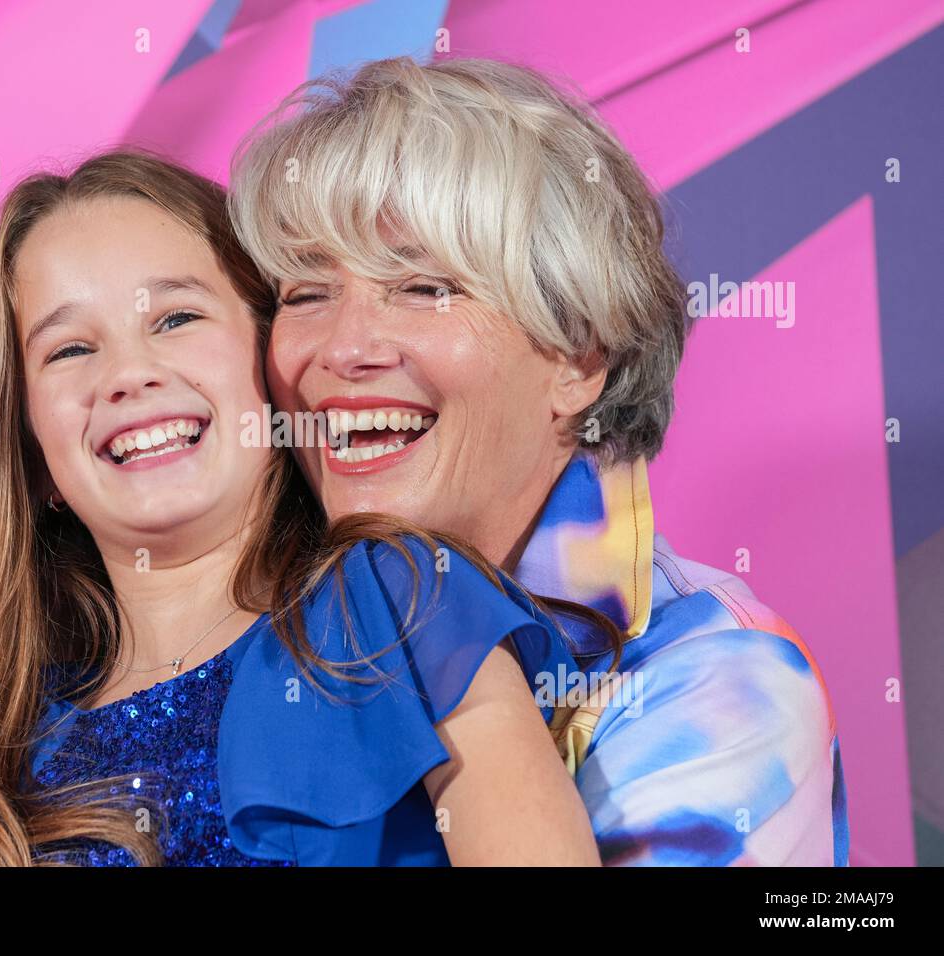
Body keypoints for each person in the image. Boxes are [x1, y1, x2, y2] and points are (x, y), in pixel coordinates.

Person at [0, 149, 601, 866]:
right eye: (70, 350)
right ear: (33, 448)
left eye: (176, 319)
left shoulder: (396, 600)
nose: (129, 374)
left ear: (269, 365)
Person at [228, 56, 850, 866]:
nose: (343, 349)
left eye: (422, 288)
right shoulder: (249, 621)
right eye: (306, 294)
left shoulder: (721, 681)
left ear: (578, 358)